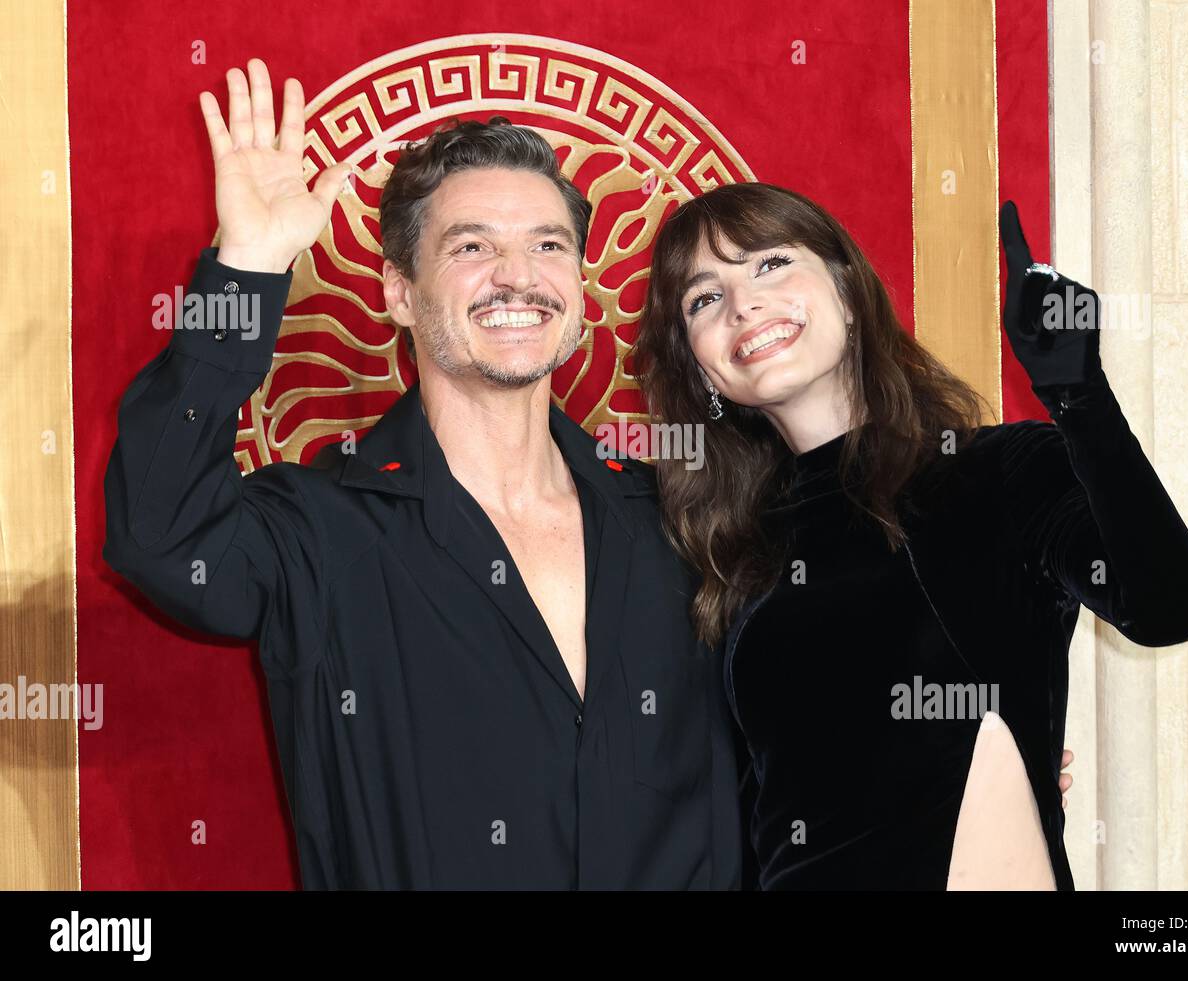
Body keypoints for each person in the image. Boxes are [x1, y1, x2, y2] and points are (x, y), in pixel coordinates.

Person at [102, 59, 745, 889]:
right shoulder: (318, 528)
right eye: (472, 246)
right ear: (399, 294)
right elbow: (158, 534)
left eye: (548, 245)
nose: (518, 275)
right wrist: (247, 267)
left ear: (581, 288)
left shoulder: (677, 517)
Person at [632, 181, 1188, 890]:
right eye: (704, 298)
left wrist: (1080, 392)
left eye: (770, 264)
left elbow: (1169, 605)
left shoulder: (1000, 473)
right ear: (699, 364)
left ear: (847, 291)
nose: (744, 303)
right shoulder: (721, 559)